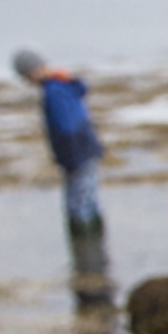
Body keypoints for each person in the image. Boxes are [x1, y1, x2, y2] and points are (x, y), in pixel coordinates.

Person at [13, 49, 106, 238]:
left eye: (26, 76)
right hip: (85, 149)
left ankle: (86, 249)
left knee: (79, 202)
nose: (27, 81)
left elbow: (68, 127)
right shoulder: (64, 84)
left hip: (77, 153)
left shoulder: (54, 91)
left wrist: (70, 160)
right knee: (87, 197)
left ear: (34, 70)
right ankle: (94, 246)